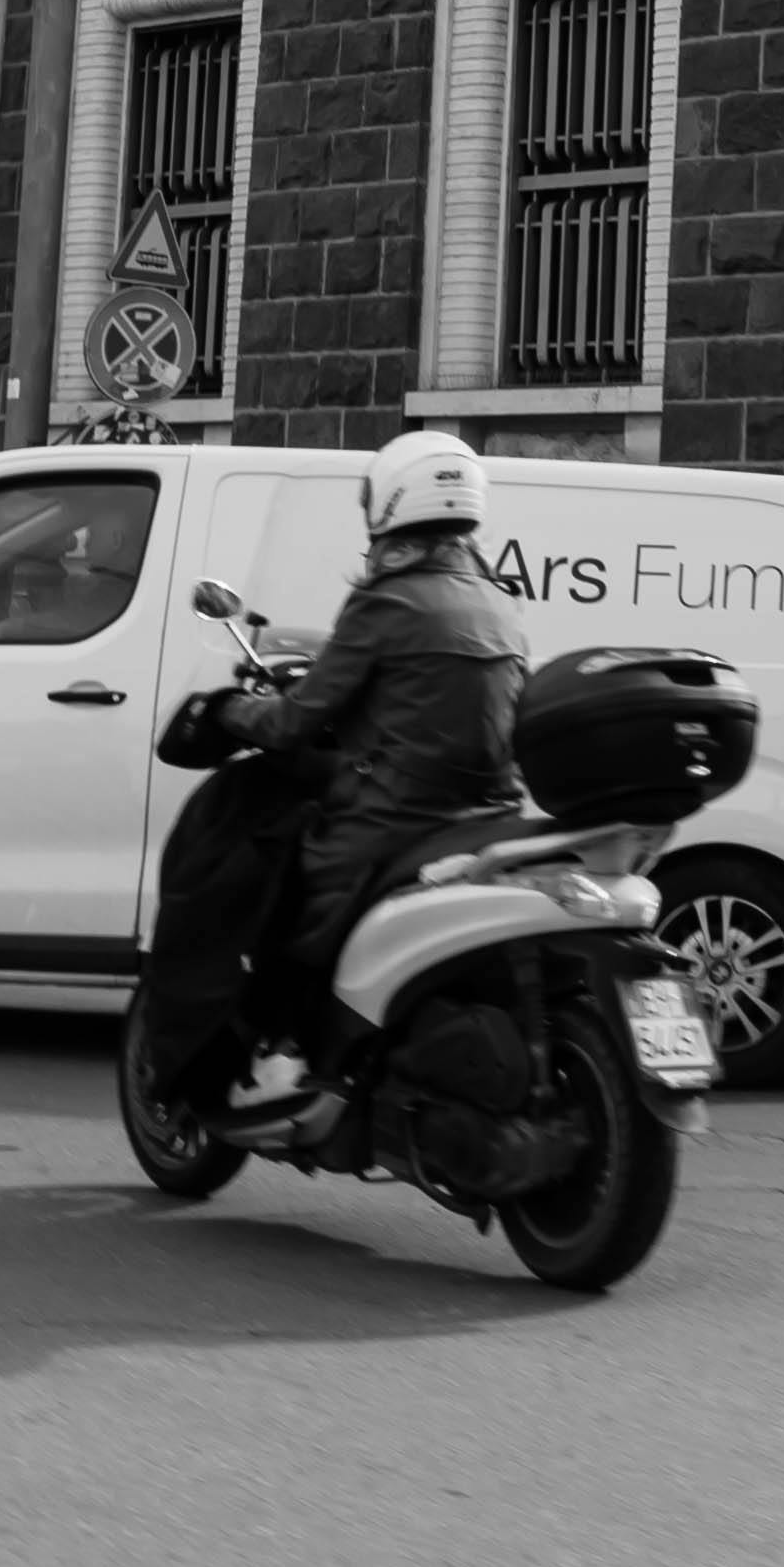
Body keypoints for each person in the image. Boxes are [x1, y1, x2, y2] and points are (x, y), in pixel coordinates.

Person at [225, 431, 528, 1103]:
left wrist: (229, 712)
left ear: (390, 501)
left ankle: (286, 1053)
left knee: (288, 892)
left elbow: (294, 722)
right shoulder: (498, 599)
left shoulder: (386, 600)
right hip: (491, 815)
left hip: (397, 818)